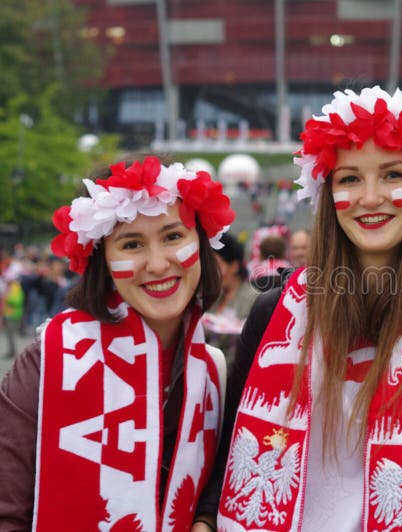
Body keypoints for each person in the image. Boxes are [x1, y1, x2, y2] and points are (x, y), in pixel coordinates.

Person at [202, 86, 402, 531]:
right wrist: (205, 519)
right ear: (327, 195)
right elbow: (228, 451)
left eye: (392, 175)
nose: (369, 197)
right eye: (349, 179)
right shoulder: (273, 313)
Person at [0, 155, 236, 531]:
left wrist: (205, 521)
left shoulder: (213, 372)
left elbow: (221, 490)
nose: (157, 264)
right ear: (104, 261)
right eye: (132, 244)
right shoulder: (49, 361)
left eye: (173, 236)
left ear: (201, 243)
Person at [202, 233, 260, 365]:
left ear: (234, 266)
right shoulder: (213, 297)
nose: (210, 272)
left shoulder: (253, 299)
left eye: (216, 265)